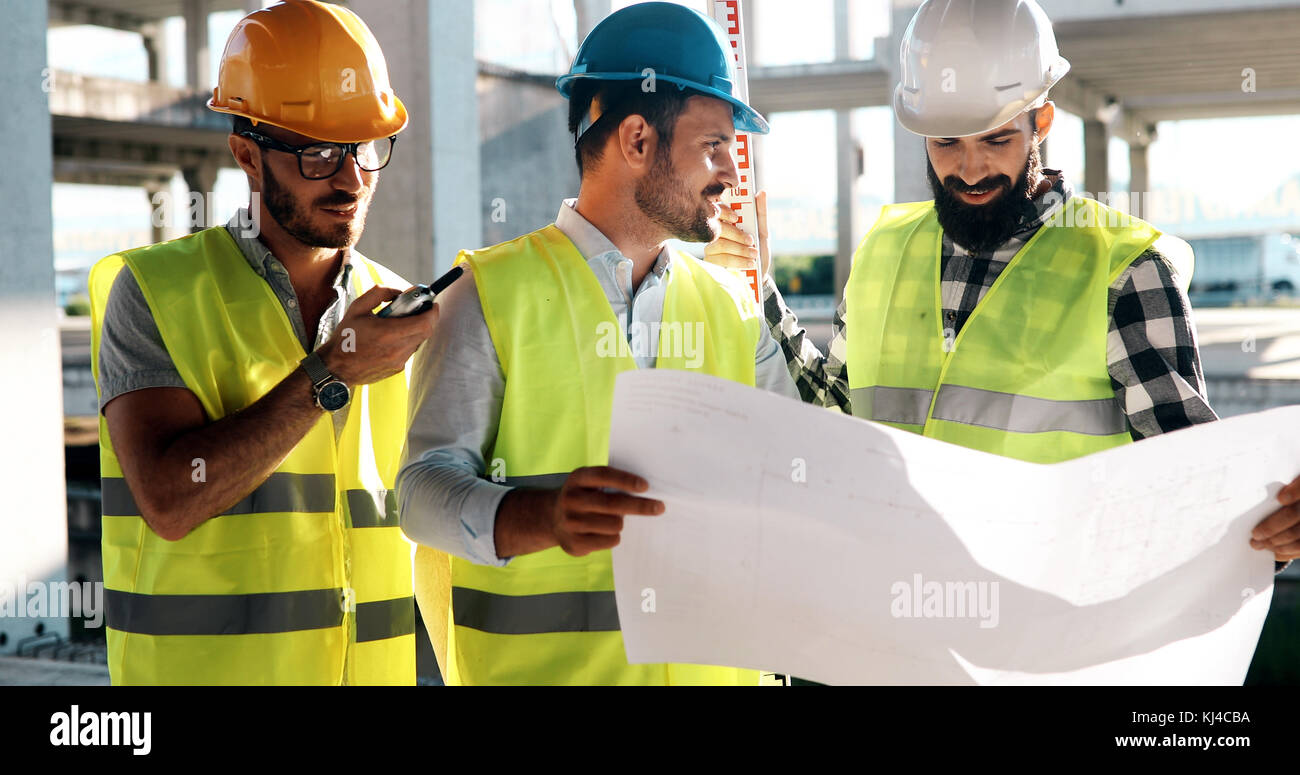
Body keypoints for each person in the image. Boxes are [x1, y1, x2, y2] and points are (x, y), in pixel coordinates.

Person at [706, 1, 1300, 575]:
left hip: (1049, 650)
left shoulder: (1125, 270)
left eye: (995, 140)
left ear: (1040, 119)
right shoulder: (881, 253)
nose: (968, 170)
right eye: (946, 144)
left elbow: (1189, 484)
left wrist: (1270, 534)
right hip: (897, 639)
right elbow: (835, 412)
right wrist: (756, 294)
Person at [399, 1, 799, 685]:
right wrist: (541, 515)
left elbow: (797, 482)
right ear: (638, 140)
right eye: (713, 145)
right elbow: (419, 495)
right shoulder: (485, 294)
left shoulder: (735, 310)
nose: (731, 172)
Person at [88, 0, 435, 685]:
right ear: (247, 155)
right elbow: (168, 497)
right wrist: (331, 371)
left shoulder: (400, 310)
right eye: (317, 154)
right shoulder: (156, 292)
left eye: (364, 148)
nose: (351, 178)